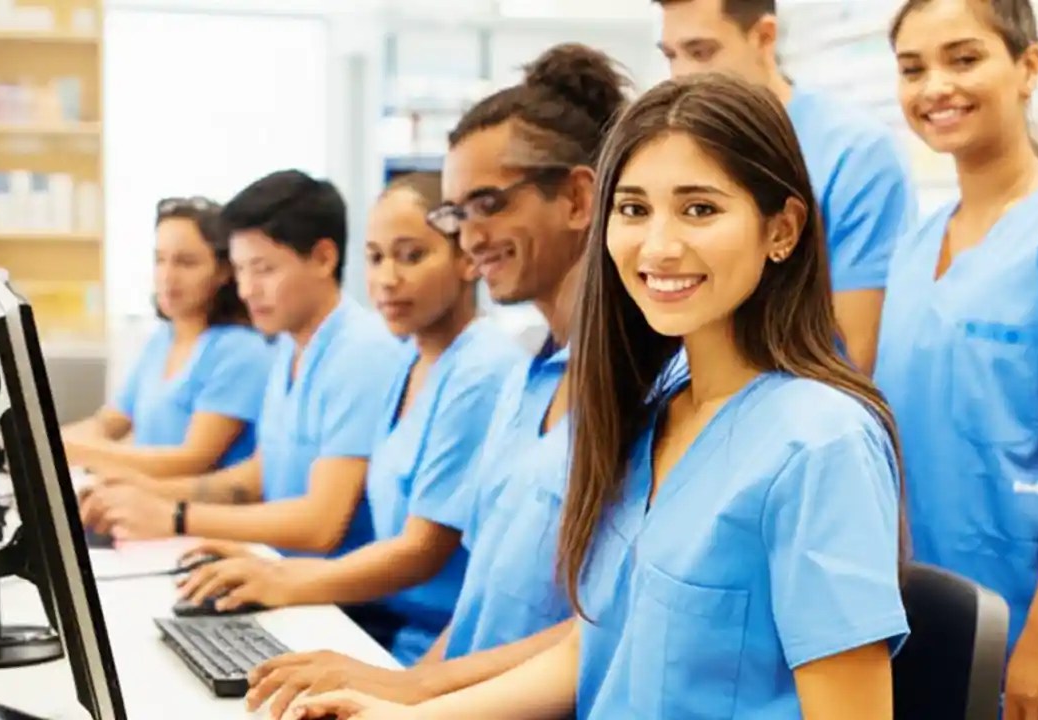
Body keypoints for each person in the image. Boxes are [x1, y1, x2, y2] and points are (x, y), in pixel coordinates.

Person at [288, 73, 910, 720]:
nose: (659, 246)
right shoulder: (656, 412)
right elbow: (599, 641)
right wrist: (404, 715)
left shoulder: (820, 442)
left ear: (781, 230)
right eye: (635, 210)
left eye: (699, 209)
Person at [244, 43, 633, 720]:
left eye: (487, 204)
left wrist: (413, 694)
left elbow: (596, 631)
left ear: (576, 197)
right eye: (457, 213)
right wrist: (389, 689)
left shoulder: (633, 390)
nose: (470, 236)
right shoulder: (530, 380)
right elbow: (483, 596)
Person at [175, 171, 521, 666]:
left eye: (412, 255)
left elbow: (421, 550)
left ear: (467, 256)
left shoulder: (480, 369)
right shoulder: (409, 359)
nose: (386, 279)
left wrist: (279, 576)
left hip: (429, 644)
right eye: (376, 257)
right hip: (390, 624)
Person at [79, 171, 400, 565]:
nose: (247, 289)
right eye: (241, 269)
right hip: (274, 569)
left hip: (344, 603)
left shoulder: (360, 354)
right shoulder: (289, 345)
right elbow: (259, 475)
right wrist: (148, 491)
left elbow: (321, 524)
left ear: (323, 258)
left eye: (264, 269)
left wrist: (177, 517)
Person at [879, 1, 1038, 716]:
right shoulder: (916, 246)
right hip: (921, 617)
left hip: (1023, 628)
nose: (935, 86)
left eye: (964, 58)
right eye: (913, 69)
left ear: (1028, 65)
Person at [653, 0, 916, 374]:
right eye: (671, 56)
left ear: (764, 37)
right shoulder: (677, 150)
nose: (682, 76)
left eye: (701, 53)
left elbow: (856, 351)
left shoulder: (854, 155)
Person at [61, 197, 271, 477]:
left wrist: (76, 452)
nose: (167, 276)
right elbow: (110, 422)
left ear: (222, 271)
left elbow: (189, 460)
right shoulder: (162, 339)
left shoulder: (240, 350)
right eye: (160, 260)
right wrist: (37, 444)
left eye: (186, 262)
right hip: (140, 504)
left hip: (189, 513)